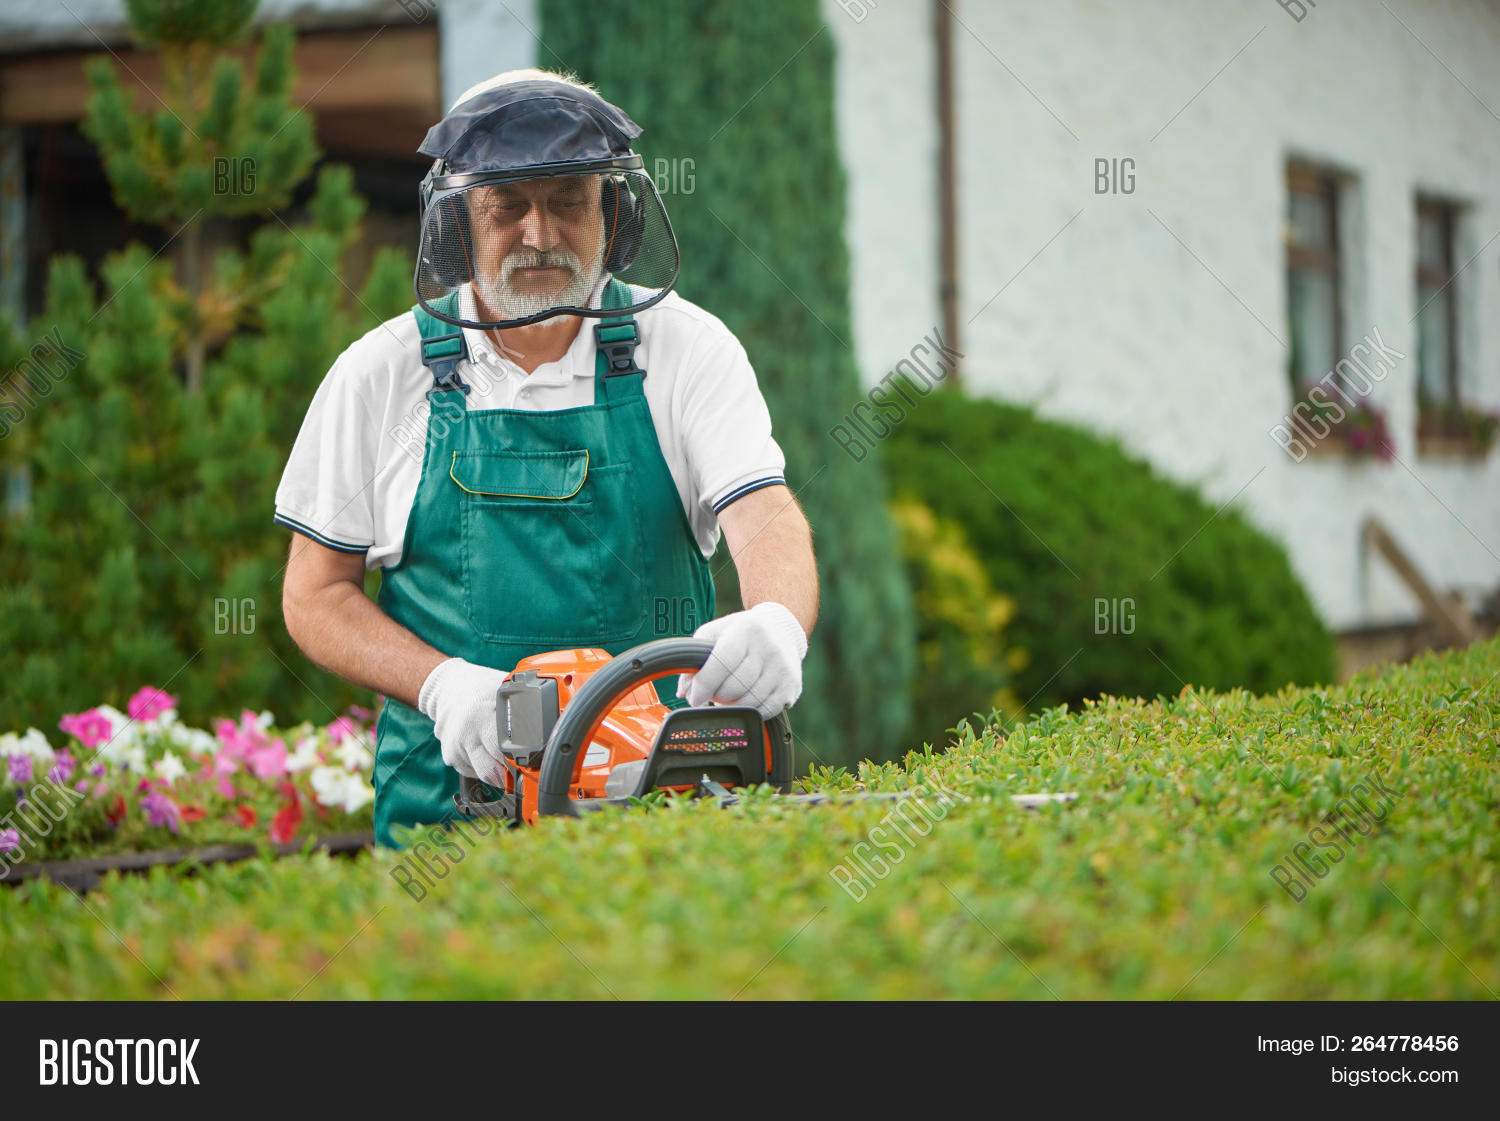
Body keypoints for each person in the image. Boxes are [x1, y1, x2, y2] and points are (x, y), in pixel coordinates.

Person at [276, 69, 817, 845]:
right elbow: (313, 596)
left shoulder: (687, 349)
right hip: (449, 820)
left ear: (615, 212)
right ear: (460, 220)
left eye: (569, 201)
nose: (539, 234)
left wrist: (774, 623)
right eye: (508, 206)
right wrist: (440, 684)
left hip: (662, 811)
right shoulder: (380, 373)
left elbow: (765, 516)